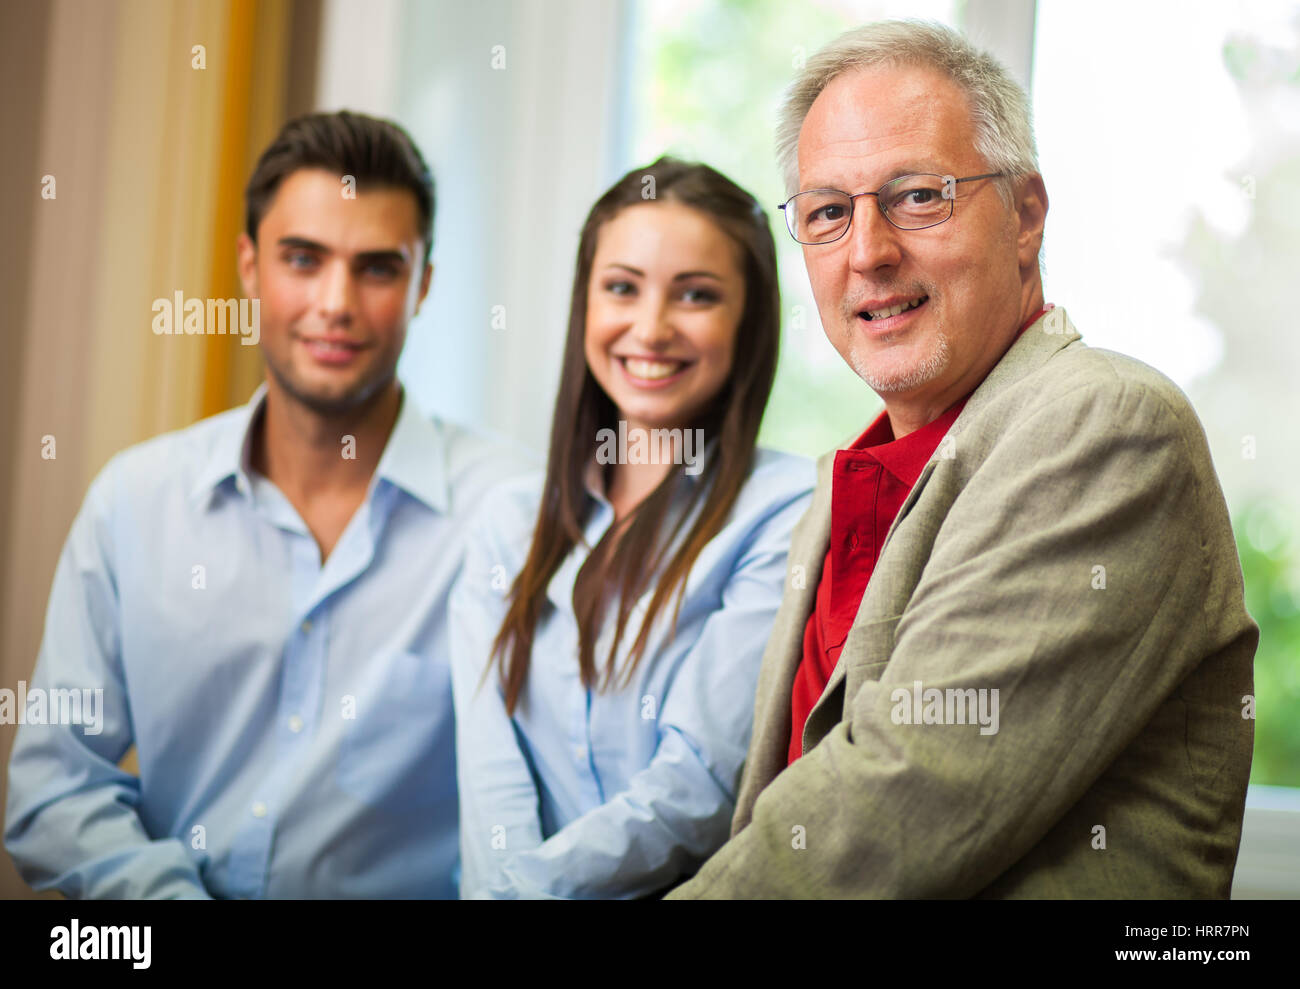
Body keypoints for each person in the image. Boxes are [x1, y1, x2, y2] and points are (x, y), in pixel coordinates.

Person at [668, 21, 1256, 898]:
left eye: (917, 195)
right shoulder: (833, 496)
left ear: (1026, 217)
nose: (867, 252)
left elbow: (897, 798)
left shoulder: (1107, 423)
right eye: (829, 212)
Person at [4, 111, 526, 898]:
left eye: (377, 267)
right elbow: (53, 789)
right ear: (250, 267)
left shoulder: (513, 514)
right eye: (303, 259)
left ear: (423, 283)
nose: (335, 302)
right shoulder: (135, 502)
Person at [450, 157, 815, 899]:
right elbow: (489, 777)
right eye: (622, 287)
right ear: (585, 302)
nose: (650, 328)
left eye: (697, 295)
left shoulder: (787, 508)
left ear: (749, 320)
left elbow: (698, 789)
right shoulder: (507, 523)